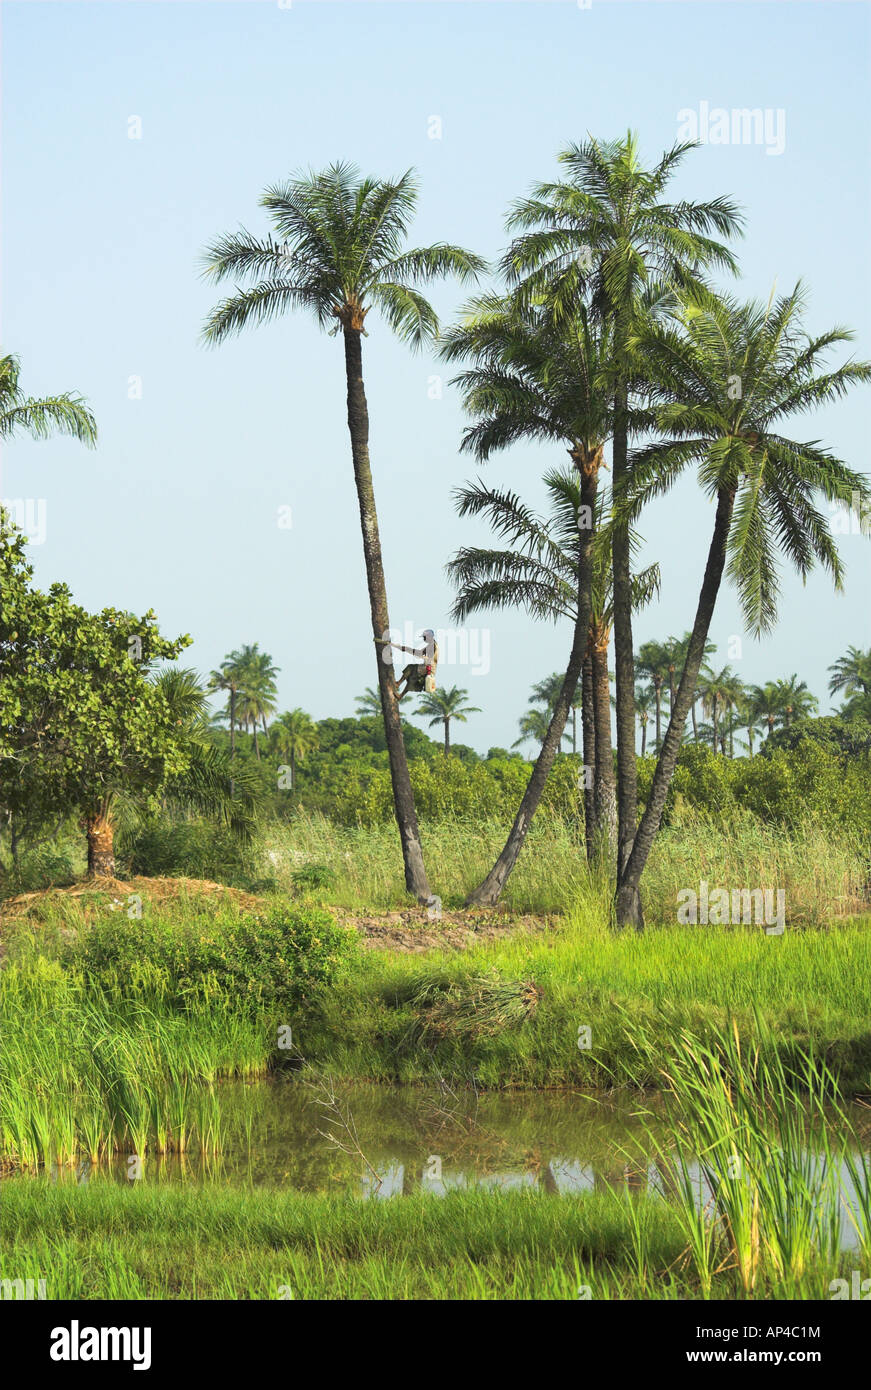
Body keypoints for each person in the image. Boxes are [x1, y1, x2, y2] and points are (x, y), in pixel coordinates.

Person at [379, 629, 439, 700]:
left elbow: (422, 655)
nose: (424, 639)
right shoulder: (433, 644)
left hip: (428, 668)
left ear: (429, 637)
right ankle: (400, 693)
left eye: (424, 637)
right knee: (411, 678)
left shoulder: (432, 646)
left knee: (410, 668)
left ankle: (398, 684)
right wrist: (405, 649)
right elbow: (419, 653)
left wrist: (407, 649)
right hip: (428, 668)